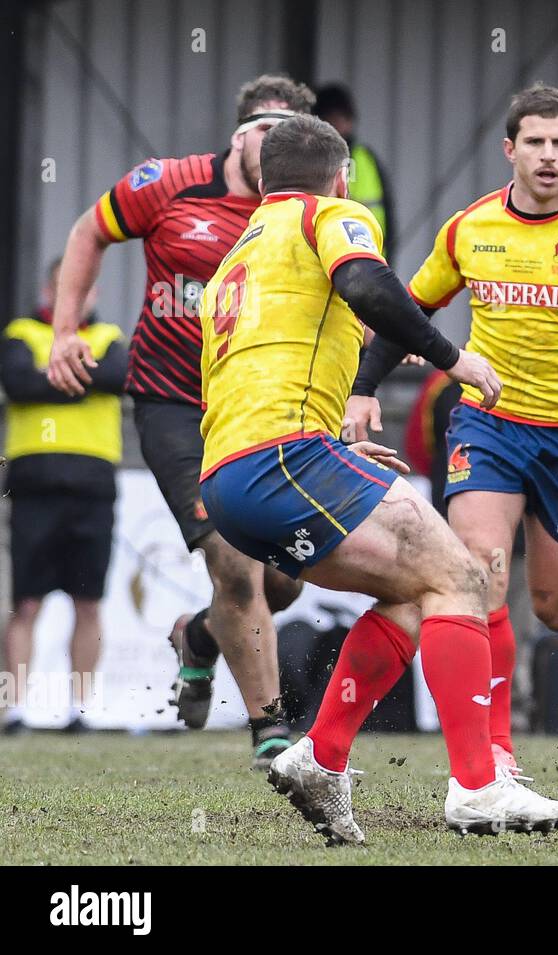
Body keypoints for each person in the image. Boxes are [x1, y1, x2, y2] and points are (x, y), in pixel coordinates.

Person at [199, 114, 558, 841]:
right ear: (340, 177)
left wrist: (326, 441)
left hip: (234, 473)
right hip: (282, 458)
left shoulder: (238, 255)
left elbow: (244, 372)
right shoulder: (332, 214)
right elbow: (370, 286)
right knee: (465, 578)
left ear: (262, 180)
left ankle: (322, 755)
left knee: (421, 593)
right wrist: (451, 356)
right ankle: (479, 786)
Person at [346, 84, 558, 778]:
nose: (549, 156)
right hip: (488, 425)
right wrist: (362, 388)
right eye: (535, 142)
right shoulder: (469, 228)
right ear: (511, 149)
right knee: (480, 574)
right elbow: (406, 311)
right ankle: (495, 751)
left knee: (551, 604)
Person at [44, 75, 315, 768]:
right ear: (239, 133)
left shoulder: (307, 210)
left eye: (288, 138)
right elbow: (88, 231)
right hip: (174, 405)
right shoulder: (166, 183)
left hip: (263, 410)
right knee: (235, 564)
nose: (273, 148)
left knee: (284, 579)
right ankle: (271, 733)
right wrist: (66, 330)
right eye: (264, 132)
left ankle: (197, 636)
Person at [1, 261, 125, 733]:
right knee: (26, 604)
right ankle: (13, 709)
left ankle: (81, 708)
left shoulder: (110, 335)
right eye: (64, 287)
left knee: (88, 601)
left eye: (84, 289)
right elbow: (19, 383)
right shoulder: (22, 332)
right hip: (34, 487)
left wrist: (52, 374)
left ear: (92, 293)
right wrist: (79, 377)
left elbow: (117, 375)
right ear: (47, 288)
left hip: (93, 488)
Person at [313, 83, 396, 253]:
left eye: (344, 117)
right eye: (333, 118)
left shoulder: (365, 158)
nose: (340, 124)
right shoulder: (310, 158)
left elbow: (388, 211)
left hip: (370, 254)